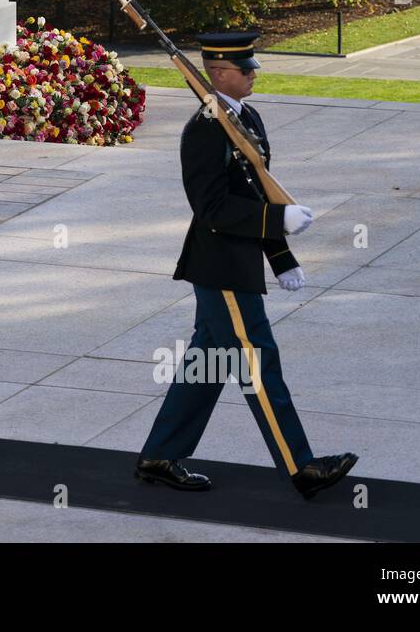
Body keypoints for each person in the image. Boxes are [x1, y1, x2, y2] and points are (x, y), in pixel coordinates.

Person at [133, 31, 358, 500]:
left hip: (236, 264)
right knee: (259, 364)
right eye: (246, 68)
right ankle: (301, 468)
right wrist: (279, 219)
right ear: (217, 74)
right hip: (222, 268)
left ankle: (160, 455)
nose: (255, 73)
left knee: (208, 363)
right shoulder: (203, 129)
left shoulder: (246, 116)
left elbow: (256, 190)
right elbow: (212, 208)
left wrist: (281, 257)